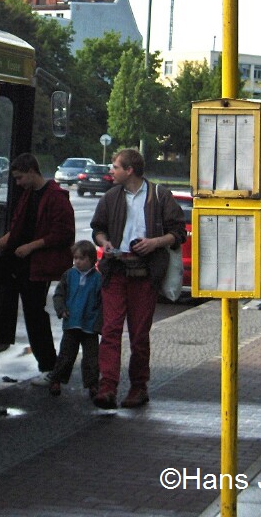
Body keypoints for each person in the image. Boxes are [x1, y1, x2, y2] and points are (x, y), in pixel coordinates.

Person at [90, 148, 186, 410]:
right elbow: (98, 229)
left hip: (145, 274)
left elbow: (179, 232)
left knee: (139, 334)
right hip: (116, 270)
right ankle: (107, 387)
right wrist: (104, 242)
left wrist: (154, 243)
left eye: (115, 166)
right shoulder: (111, 197)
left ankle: (138, 387)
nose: (111, 170)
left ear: (129, 170)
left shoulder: (159, 195)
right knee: (110, 330)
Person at [0, 153, 74, 382]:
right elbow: (16, 229)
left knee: (34, 313)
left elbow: (63, 234)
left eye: (20, 178)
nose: (18, 183)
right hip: (23, 260)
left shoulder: (55, 196)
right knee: (28, 309)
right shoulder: (29, 194)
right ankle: (45, 363)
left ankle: (48, 366)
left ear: (31, 171)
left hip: (38, 263)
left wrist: (30, 247)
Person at [46, 239, 103, 397]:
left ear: (91, 260)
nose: (77, 262)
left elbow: (102, 302)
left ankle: (92, 384)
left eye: (82, 258)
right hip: (72, 322)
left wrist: (99, 323)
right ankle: (56, 380)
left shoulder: (98, 279)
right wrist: (61, 310)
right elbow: (59, 295)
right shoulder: (69, 275)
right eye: (76, 258)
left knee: (91, 358)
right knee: (66, 355)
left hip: (90, 324)